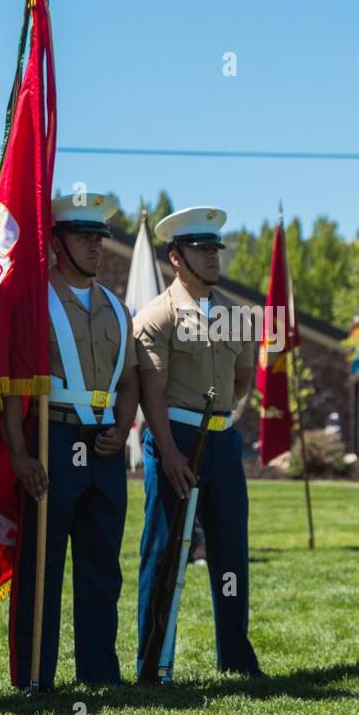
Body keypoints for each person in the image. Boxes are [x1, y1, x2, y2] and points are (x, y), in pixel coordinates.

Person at [5, 194, 139, 689]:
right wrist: (19, 452)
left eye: (99, 237)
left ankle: (100, 673)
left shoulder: (118, 310)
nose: (95, 247)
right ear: (57, 243)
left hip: (104, 446)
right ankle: (35, 676)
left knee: (102, 566)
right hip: (52, 438)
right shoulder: (34, 304)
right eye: (84, 237)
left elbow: (130, 383)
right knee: (42, 565)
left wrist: (122, 429)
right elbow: (13, 383)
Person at [134, 206, 263, 679]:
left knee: (230, 552)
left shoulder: (238, 316)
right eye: (201, 250)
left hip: (222, 440)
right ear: (176, 258)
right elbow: (151, 390)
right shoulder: (157, 316)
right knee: (164, 549)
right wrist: (168, 452)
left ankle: (235, 657)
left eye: (215, 249)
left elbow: (243, 380)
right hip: (176, 437)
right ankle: (151, 662)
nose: (212, 257)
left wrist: (221, 418)